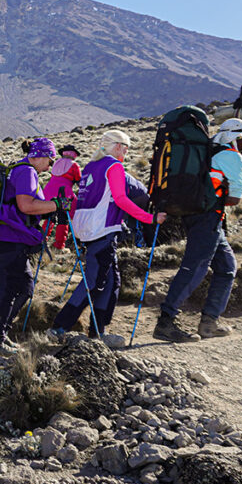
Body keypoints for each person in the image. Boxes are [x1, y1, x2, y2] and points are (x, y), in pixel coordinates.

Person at [49, 131, 166, 338]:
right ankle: (60, 326)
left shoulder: (91, 166)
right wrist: (150, 218)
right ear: (119, 146)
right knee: (94, 281)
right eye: (126, 147)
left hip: (88, 228)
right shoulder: (114, 166)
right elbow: (121, 199)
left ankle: (98, 330)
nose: (127, 152)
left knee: (111, 282)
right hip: (103, 228)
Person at [154, 118, 242, 343]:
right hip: (208, 217)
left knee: (226, 266)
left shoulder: (208, 149)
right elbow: (233, 198)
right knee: (195, 268)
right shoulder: (231, 155)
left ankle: (209, 323)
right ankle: (166, 322)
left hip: (197, 214)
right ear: (236, 138)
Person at [0, 139, 69, 353]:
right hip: (10, 238)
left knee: (21, 287)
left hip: (5, 237)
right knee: (10, 290)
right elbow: (25, 205)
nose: (50, 167)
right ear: (40, 155)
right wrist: (56, 204)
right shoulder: (27, 172)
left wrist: (50, 207)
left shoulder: (18, 169)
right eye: (49, 162)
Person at [42, 144, 82, 250]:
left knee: (50, 216)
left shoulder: (56, 163)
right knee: (63, 217)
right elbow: (79, 181)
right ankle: (59, 245)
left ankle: (42, 239)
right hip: (65, 194)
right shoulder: (74, 165)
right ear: (74, 154)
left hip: (49, 193)